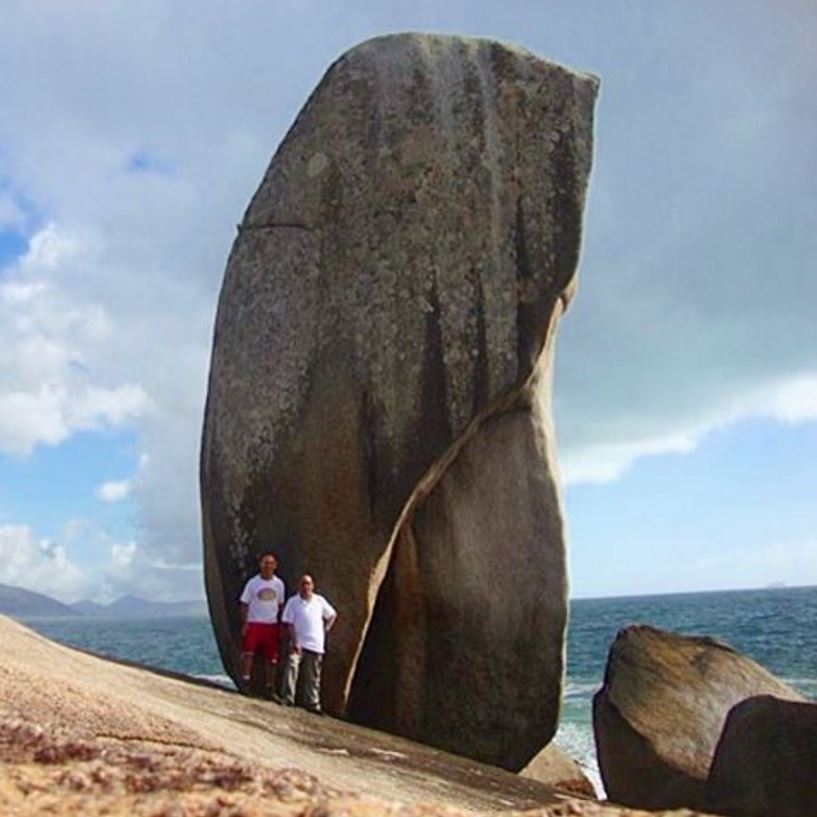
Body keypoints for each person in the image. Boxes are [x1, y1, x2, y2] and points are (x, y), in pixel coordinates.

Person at [281, 574, 337, 714]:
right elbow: (289, 623)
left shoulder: (319, 601)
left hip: (316, 644)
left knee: (313, 675)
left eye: (308, 584)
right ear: (299, 586)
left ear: (312, 586)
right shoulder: (293, 602)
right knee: (292, 667)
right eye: (303, 584)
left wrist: (326, 628)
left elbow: (332, 614)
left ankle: (312, 703)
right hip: (298, 643)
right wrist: (295, 641)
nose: (306, 587)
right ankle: (288, 698)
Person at [238, 551, 286, 697]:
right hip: (254, 623)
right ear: (260, 565)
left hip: (271, 625)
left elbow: (281, 605)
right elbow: (244, 603)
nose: (268, 566)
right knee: (248, 653)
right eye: (265, 563)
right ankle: (245, 682)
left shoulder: (279, 584)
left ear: (275, 566)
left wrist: (281, 624)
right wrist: (245, 622)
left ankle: (270, 687)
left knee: (272, 659)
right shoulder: (253, 583)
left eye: (271, 563)